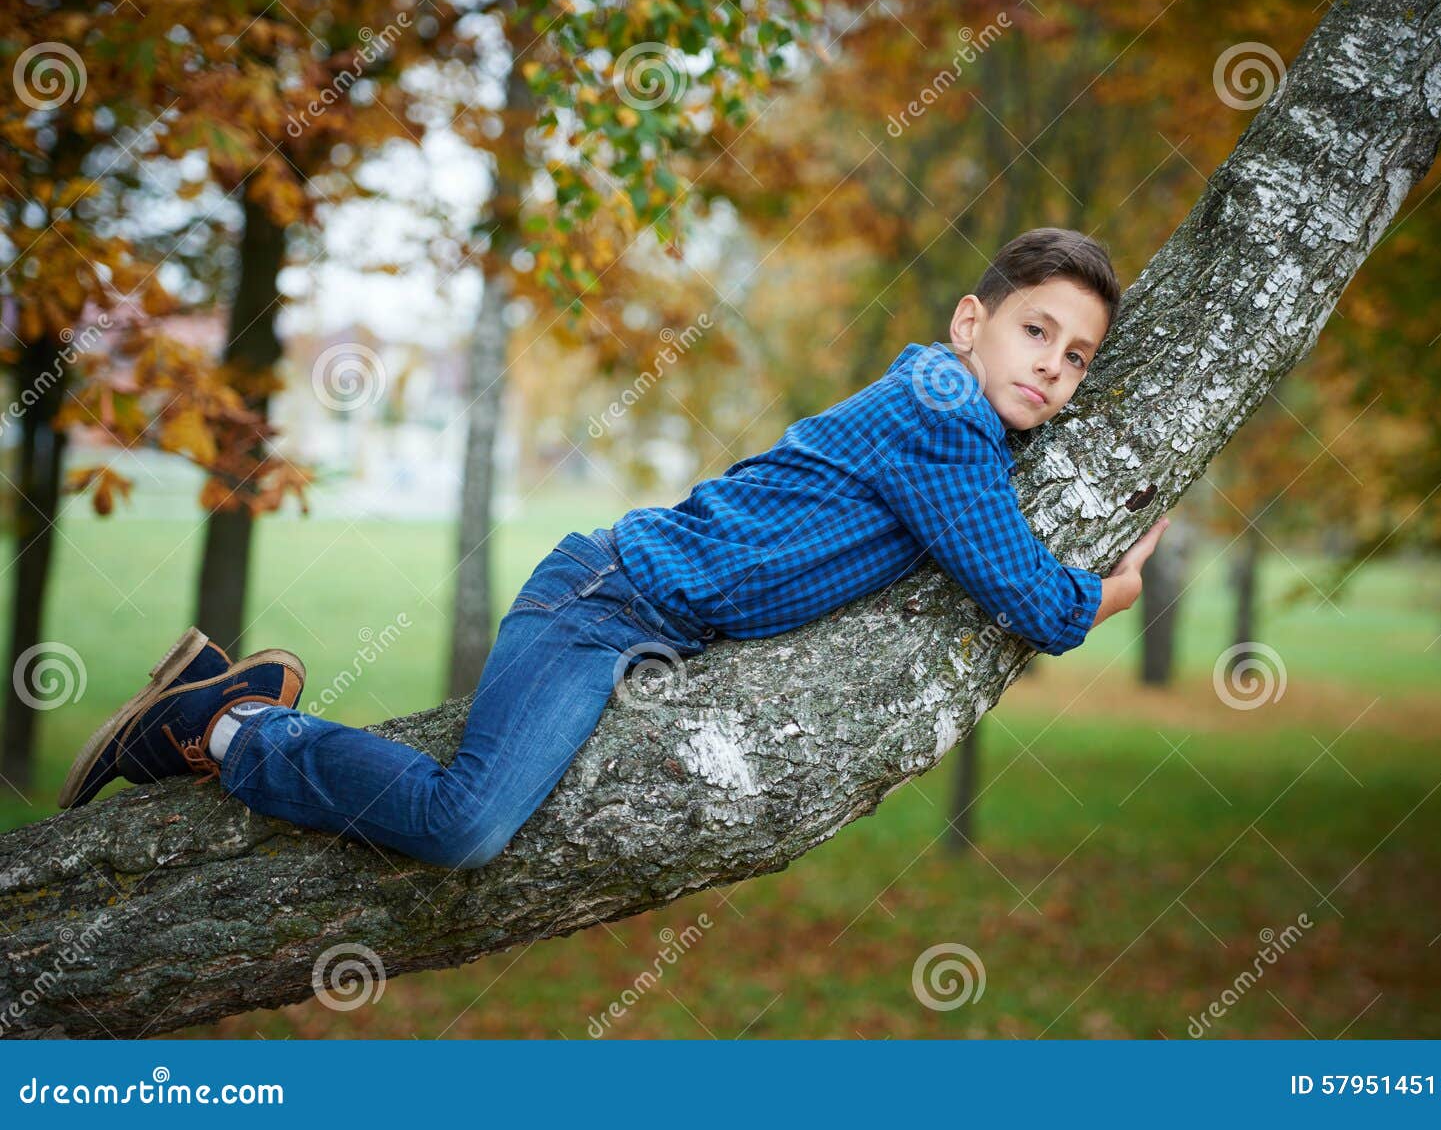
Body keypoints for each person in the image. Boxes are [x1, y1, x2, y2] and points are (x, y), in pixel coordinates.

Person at [57, 226, 1170, 870]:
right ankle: (229, 721)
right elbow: (1037, 600)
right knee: (465, 827)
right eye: (1038, 332)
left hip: (655, 630)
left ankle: (224, 710)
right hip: (607, 601)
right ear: (971, 323)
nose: (1053, 371)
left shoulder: (950, 414)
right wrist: (1115, 587)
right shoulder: (941, 405)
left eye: (1076, 361)